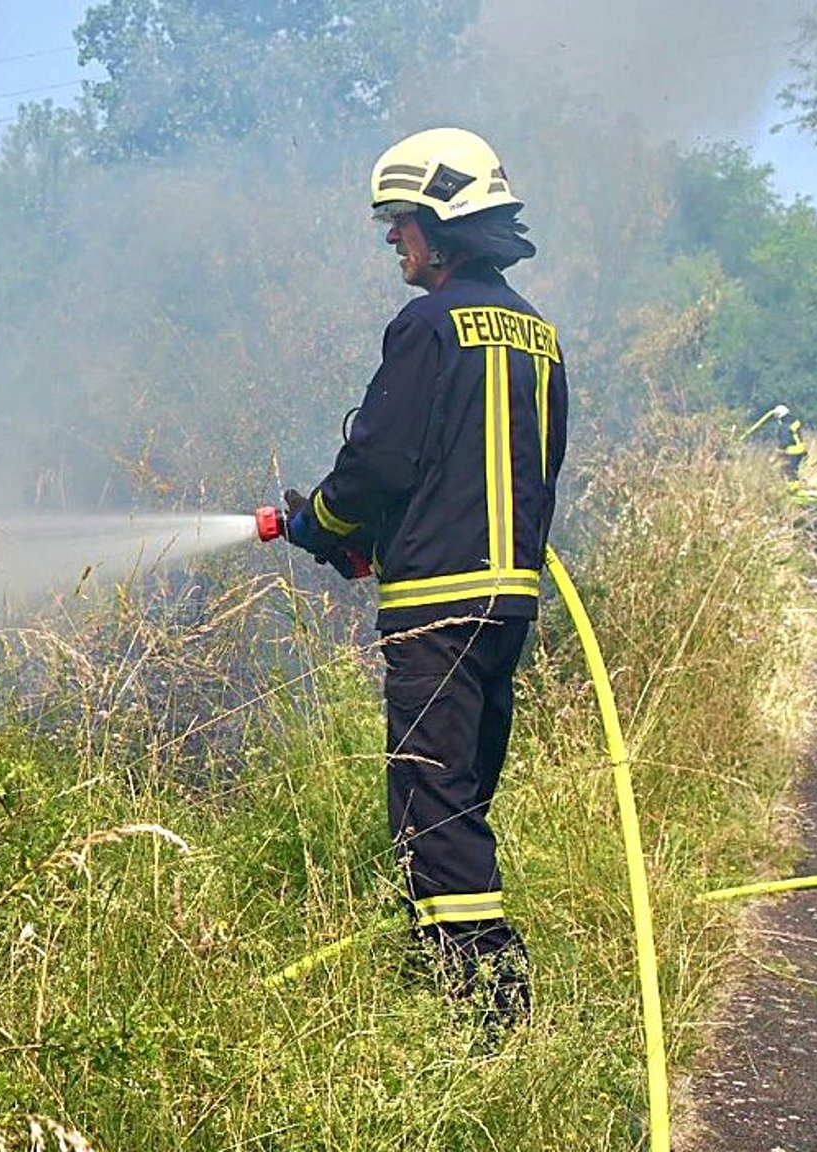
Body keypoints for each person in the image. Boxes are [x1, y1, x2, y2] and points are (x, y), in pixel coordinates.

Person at [282, 127, 567, 1030]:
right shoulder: (537, 334)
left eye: (400, 222)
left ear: (441, 229)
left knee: (431, 806)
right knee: (463, 794)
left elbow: (379, 461)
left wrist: (321, 523)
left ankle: (488, 1009)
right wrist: (379, 536)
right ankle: (453, 977)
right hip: (506, 606)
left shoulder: (426, 325)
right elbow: (510, 469)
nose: (391, 239)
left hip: (436, 610)